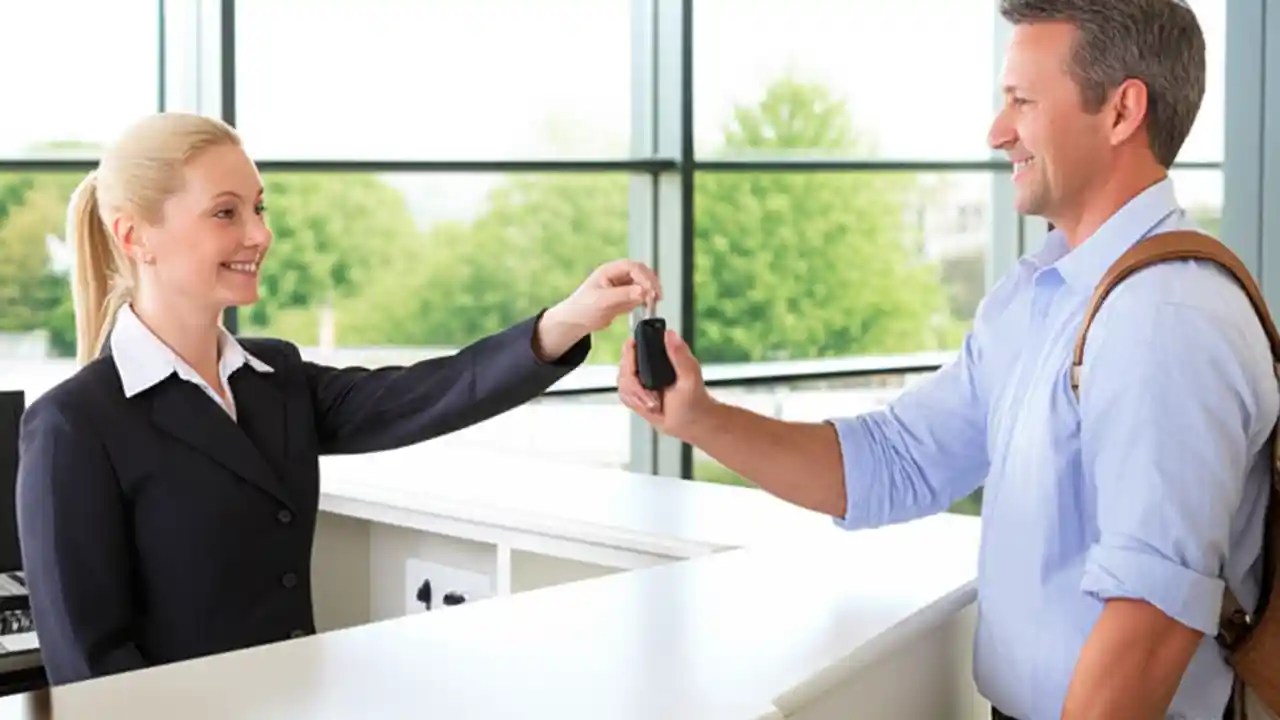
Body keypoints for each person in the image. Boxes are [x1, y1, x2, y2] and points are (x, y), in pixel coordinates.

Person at [619, 1, 1277, 718]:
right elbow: (896, 461)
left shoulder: (1166, 320)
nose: (998, 133)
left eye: (1022, 101)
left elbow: (1151, 625)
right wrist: (701, 419)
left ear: (1122, 112)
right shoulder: (1040, 297)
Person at [16, 111, 661, 686]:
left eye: (259, 208)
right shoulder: (74, 424)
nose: (258, 234)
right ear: (135, 238)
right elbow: (90, 669)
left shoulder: (276, 375)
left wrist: (568, 321)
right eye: (225, 212)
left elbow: (421, 396)